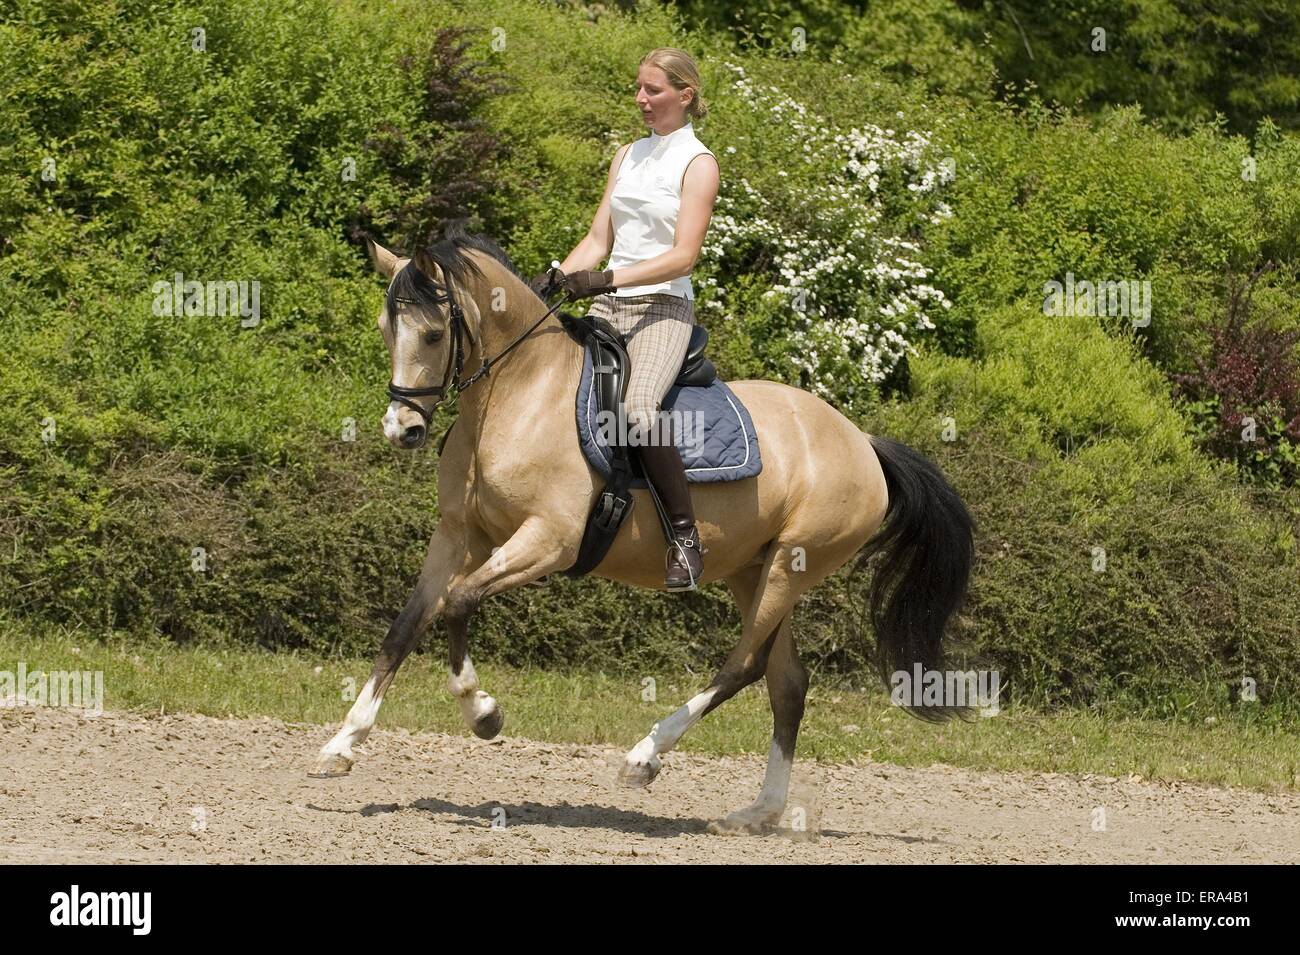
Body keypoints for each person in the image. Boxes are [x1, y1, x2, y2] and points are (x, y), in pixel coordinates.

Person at [532, 47, 720, 592]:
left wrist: (610, 278)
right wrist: (550, 280)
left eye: (653, 90)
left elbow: (685, 255)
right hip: (607, 304)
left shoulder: (698, 163)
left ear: (684, 95)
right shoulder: (627, 155)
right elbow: (597, 240)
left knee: (637, 410)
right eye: (638, 89)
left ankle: (685, 538)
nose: (641, 99)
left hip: (662, 308)